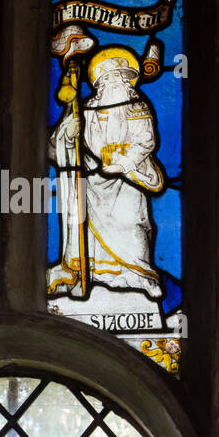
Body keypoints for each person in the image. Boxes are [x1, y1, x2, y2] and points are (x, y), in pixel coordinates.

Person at [48, 45, 165, 300]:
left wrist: (124, 163)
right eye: (107, 76)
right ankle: (98, 276)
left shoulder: (136, 105)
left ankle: (139, 276)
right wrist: (69, 133)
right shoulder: (85, 108)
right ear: (99, 82)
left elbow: (146, 140)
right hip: (93, 182)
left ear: (126, 78)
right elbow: (56, 147)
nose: (114, 80)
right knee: (91, 232)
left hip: (129, 178)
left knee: (132, 223)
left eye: (118, 75)